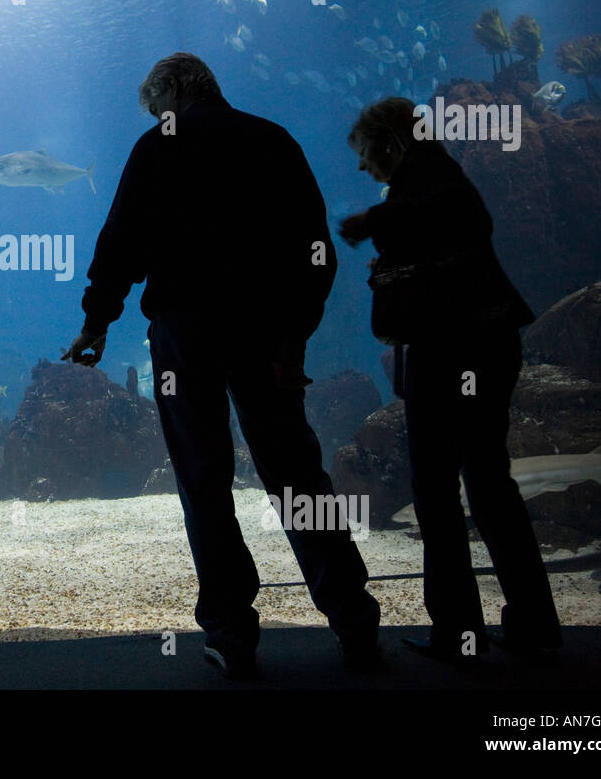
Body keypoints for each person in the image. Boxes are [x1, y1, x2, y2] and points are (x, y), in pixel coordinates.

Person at [63, 53, 381, 678]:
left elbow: (120, 241)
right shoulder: (272, 140)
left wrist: (98, 321)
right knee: (297, 475)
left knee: (203, 480)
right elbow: (316, 249)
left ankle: (233, 634)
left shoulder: (157, 148)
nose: (158, 118)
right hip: (266, 330)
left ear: (173, 91)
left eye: (157, 107)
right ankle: (354, 620)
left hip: (185, 332)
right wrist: (296, 335)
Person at [338, 97, 562, 663]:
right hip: (480, 342)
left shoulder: (432, 175)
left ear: (392, 141)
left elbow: (462, 215)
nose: (364, 167)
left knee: (437, 489)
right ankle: (532, 623)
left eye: (367, 154)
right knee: (488, 482)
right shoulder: (428, 178)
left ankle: (457, 633)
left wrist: (375, 222)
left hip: (456, 348)